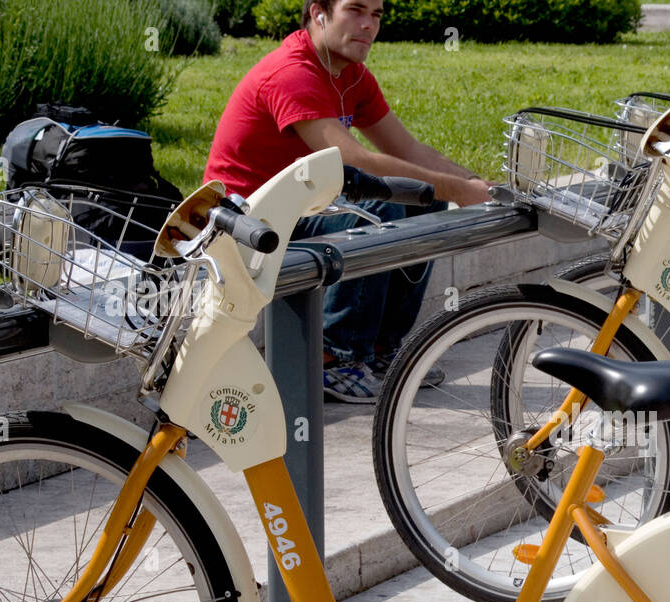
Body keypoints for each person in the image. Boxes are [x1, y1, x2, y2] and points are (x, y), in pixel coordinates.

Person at [204, 0, 492, 401]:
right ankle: (332, 359)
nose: (368, 25)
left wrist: (477, 185)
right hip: (250, 223)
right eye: (355, 10)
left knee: (422, 200)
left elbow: (408, 149)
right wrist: (460, 192)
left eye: (376, 14)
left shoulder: (351, 75)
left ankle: (380, 352)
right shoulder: (292, 72)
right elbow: (351, 163)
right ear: (318, 12)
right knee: (381, 207)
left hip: (299, 209)